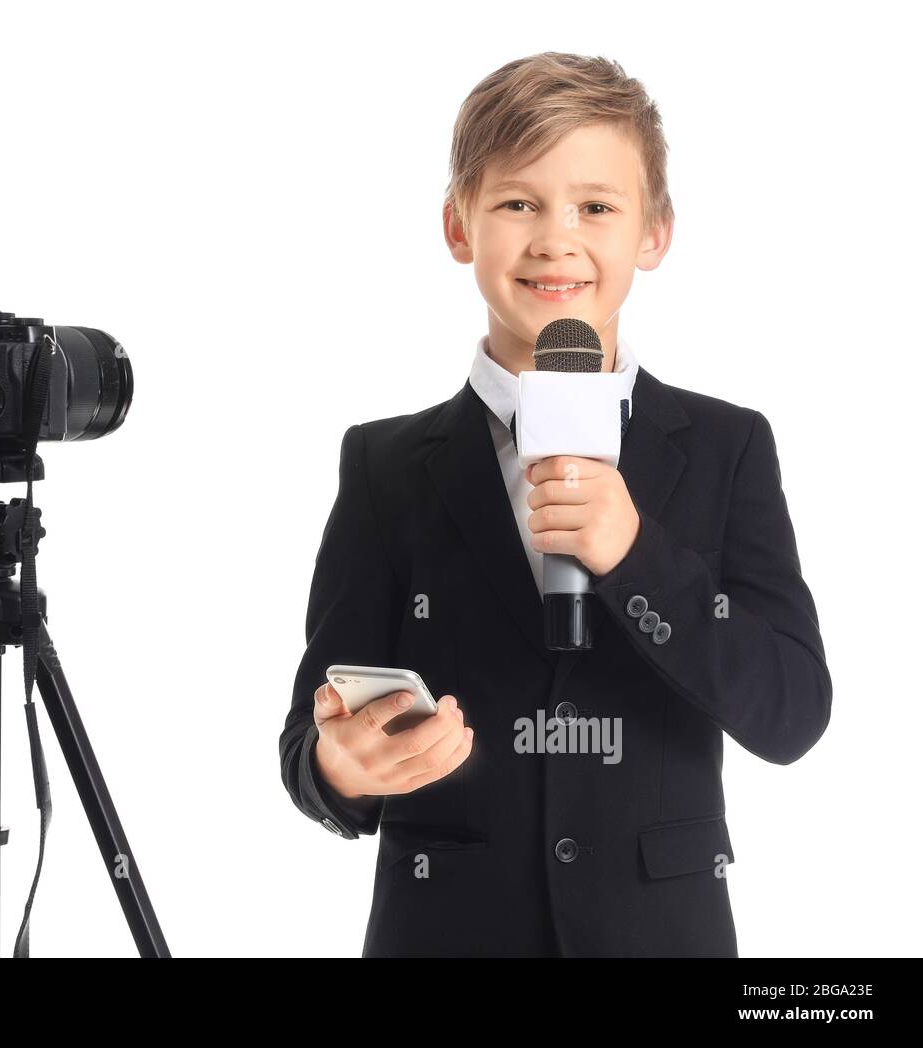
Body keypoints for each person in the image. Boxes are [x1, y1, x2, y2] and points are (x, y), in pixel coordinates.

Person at [278, 52, 832, 957]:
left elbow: (793, 711)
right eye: (518, 203)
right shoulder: (385, 465)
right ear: (459, 226)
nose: (555, 238)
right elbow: (312, 738)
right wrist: (342, 768)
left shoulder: (728, 448)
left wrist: (634, 554)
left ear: (654, 234)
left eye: (597, 207)